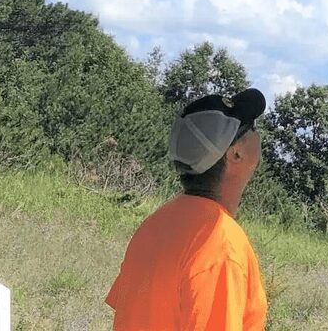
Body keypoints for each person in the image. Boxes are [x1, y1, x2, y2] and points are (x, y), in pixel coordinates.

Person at [106, 88, 270, 330]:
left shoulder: (157, 223)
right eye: (251, 127)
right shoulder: (221, 245)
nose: (258, 133)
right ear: (235, 154)